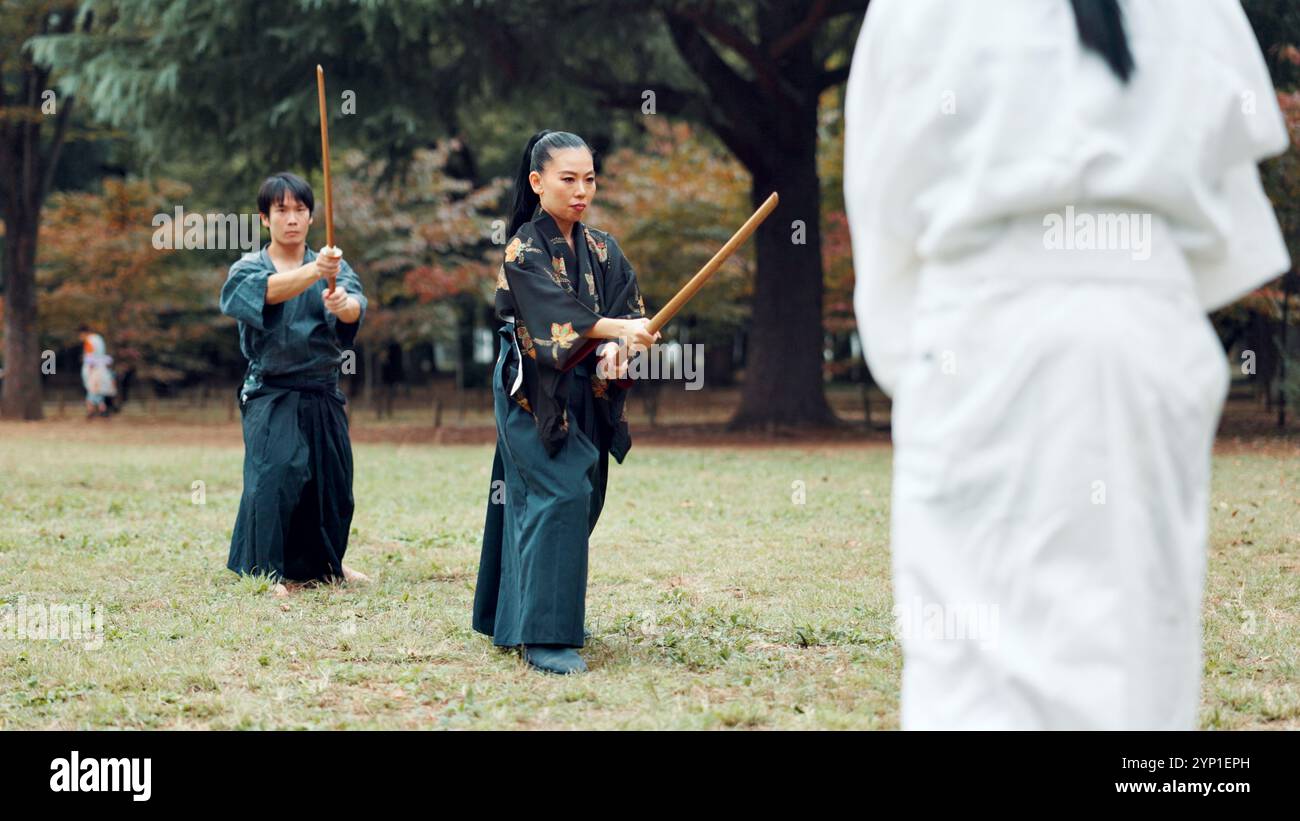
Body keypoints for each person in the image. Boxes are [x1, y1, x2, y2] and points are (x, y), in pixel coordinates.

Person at [844, 0, 1291, 728]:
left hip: (983, 326)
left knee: (973, 658)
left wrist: (924, 361)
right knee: (1144, 642)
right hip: (1149, 332)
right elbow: (1229, 220)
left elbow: (886, 201)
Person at [472, 130, 659, 674]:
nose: (582, 191)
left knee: (582, 495)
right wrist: (620, 328)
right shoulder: (522, 249)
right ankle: (546, 636)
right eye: (568, 179)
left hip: (586, 391)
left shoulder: (605, 250)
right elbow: (557, 323)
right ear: (537, 182)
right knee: (559, 493)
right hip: (533, 392)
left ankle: (515, 616)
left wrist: (619, 353)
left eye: (590, 179)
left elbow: (620, 324)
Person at [220, 172, 371, 597]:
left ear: (310, 216)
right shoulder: (249, 267)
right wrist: (313, 272)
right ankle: (263, 570)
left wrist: (343, 304)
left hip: (322, 387)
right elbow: (261, 295)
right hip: (271, 389)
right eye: (281, 210)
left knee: (332, 482)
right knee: (276, 472)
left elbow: (356, 306)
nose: (292, 218)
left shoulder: (334, 268)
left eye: (300, 210)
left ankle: (326, 565)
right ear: (265, 218)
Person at [78, 326, 117, 419]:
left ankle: (92, 411)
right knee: (98, 390)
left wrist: (90, 369)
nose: (79, 337)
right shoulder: (99, 339)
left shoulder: (89, 341)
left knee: (92, 389)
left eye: (80, 335)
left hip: (93, 368)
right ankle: (101, 410)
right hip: (101, 367)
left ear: (84, 333)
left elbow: (90, 357)